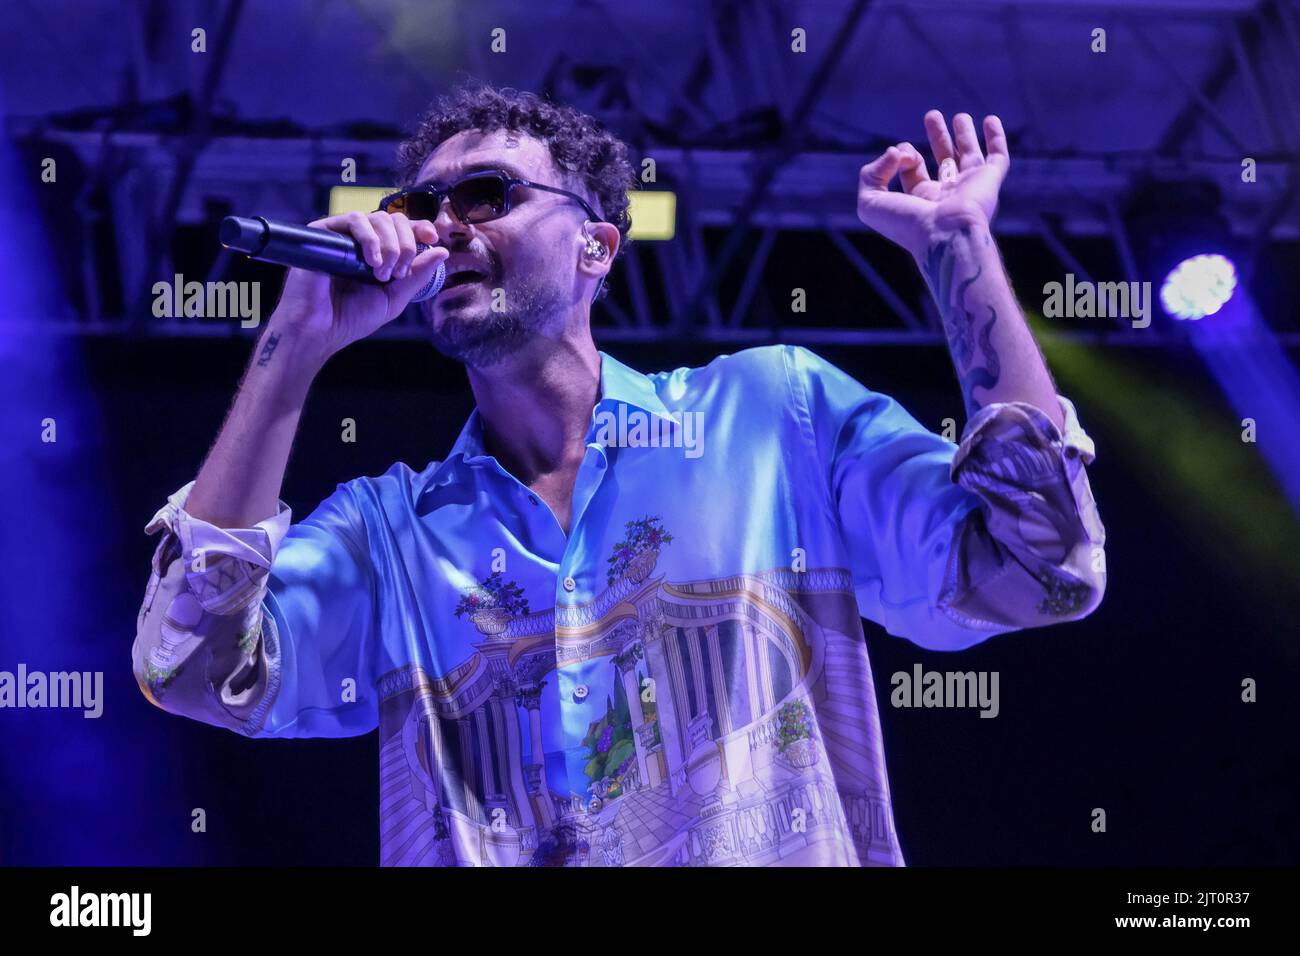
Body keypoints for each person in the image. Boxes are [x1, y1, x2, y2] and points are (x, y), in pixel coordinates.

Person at [133, 83, 1106, 867]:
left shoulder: (774, 414)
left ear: (597, 242)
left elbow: (1044, 566)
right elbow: (189, 668)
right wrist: (295, 346)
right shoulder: (387, 535)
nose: (445, 226)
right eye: (420, 208)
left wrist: (956, 248)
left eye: (487, 195)